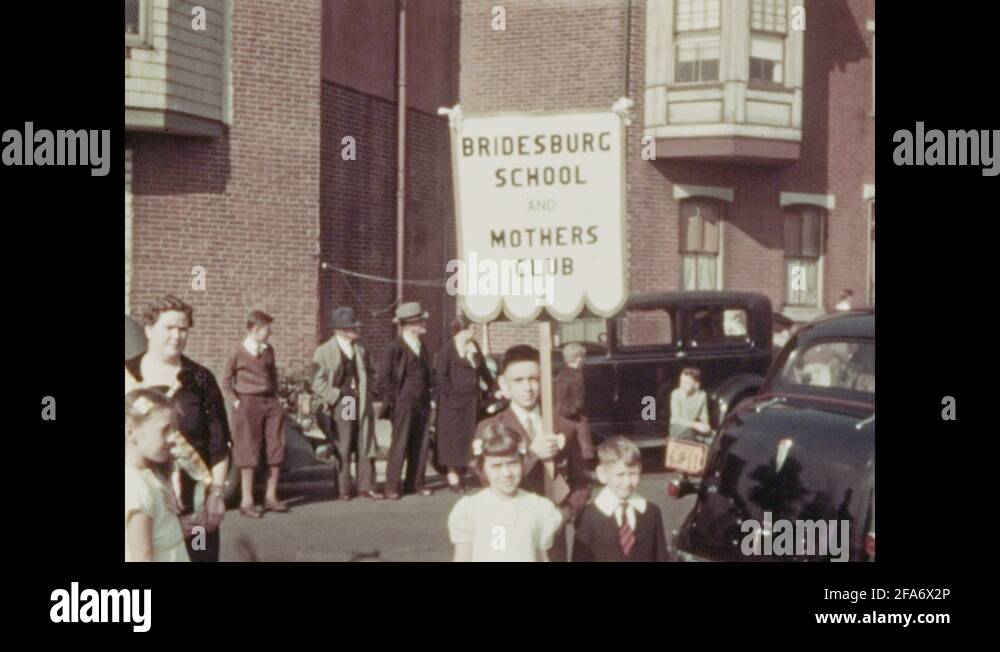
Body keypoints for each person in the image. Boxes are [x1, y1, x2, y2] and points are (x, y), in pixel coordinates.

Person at [125, 295, 231, 562]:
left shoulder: (200, 378)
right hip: (144, 499)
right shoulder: (127, 375)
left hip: (193, 501)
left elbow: (219, 443)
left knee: (197, 557)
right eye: (168, 328)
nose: (177, 335)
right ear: (148, 329)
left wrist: (216, 493)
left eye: (183, 328)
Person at [475, 344, 590, 561]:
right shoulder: (490, 428)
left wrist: (563, 513)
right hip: (508, 531)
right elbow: (486, 481)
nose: (527, 387)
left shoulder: (564, 426)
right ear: (504, 385)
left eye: (533, 379)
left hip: (551, 536)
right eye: (518, 380)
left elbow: (582, 483)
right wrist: (531, 454)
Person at [447, 422, 564, 562]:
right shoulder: (470, 509)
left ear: (522, 462)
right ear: (481, 469)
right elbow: (462, 559)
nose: (506, 473)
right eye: (496, 466)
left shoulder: (539, 507)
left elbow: (541, 557)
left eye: (512, 463)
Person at [310, 306, 383, 500]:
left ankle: (365, 487)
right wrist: (335, 396)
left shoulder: (360, 346)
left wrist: (370, 390)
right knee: (345, 442)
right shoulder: (324, 351)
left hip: (361, 400)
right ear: (341, 330)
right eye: (352, 327)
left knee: (364, 441)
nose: (356, 330)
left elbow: (371, 370)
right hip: (346, 402)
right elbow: (316, 381)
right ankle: (343, 489)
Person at [222, 310, 288, 517]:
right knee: (247, 449)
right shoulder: (237, 352)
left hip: (270, 402)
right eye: (268, 329)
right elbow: (225, 381)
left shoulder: (269, 350)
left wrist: (277, 398)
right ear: (256, 329)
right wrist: (235, 402)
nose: (271, 333)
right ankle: (247, 501)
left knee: (276, 446)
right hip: (247, 403)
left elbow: (273, 375)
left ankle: (270, 497)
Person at [571, 437, 669, 562]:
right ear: (602, 474)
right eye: (620, 475)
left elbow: (661, 557)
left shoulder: (652, 513)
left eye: (633, 474)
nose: (627, 482)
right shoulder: (587, 516)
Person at [377, 301, 435, 499]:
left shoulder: (422, 347)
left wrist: (431, 397)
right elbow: (383, 379)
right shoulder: (394, 348)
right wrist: (399, 398)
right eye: (421, 321)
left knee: (421, 443)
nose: (424, 324)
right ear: (410, 325)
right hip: (404, 403)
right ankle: (391, 487)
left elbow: (428, 375)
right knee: (400, 444)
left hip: (423, 403)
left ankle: (415, 484)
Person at [125, 388, 189, 562]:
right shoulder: (136, 486)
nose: (172, 438)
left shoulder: (150, 474)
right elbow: (143, 558)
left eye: (174, 430)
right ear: (131, 432)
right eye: (165, 430)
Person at [433, 315, 495, 493]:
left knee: (469, 438)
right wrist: (453, 394)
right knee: (452, 440)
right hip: (452, 404)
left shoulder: (473, 347)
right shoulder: (447, 349)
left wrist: (494, 387)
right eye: (473, 328)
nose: (475, 331)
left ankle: (465, 470)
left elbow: (483, 370)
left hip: (471, 403)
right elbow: (440, 376)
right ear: (463, 329)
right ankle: (453, 475)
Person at [554, 342, 595, 468]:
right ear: (579, 359)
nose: (584, 360)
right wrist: (575, 410)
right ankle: (586, 467)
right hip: (576, 414)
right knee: (584, 440)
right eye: (583, 358)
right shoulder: (577, 377)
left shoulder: (562, 373)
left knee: (567, 441)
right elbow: (579, 399)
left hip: (561, 413)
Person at [669, 367, 710, 441]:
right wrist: (696, 425)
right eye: (681, 382)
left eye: (687, 383)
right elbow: (676, 418)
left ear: (696, 385)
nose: (683, 385)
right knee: (687, 435)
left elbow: (703, 414)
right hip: (678, 426)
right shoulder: (676, 394)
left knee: (713, 439)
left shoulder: (702, 395)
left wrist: (706, 424)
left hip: (693, 427)